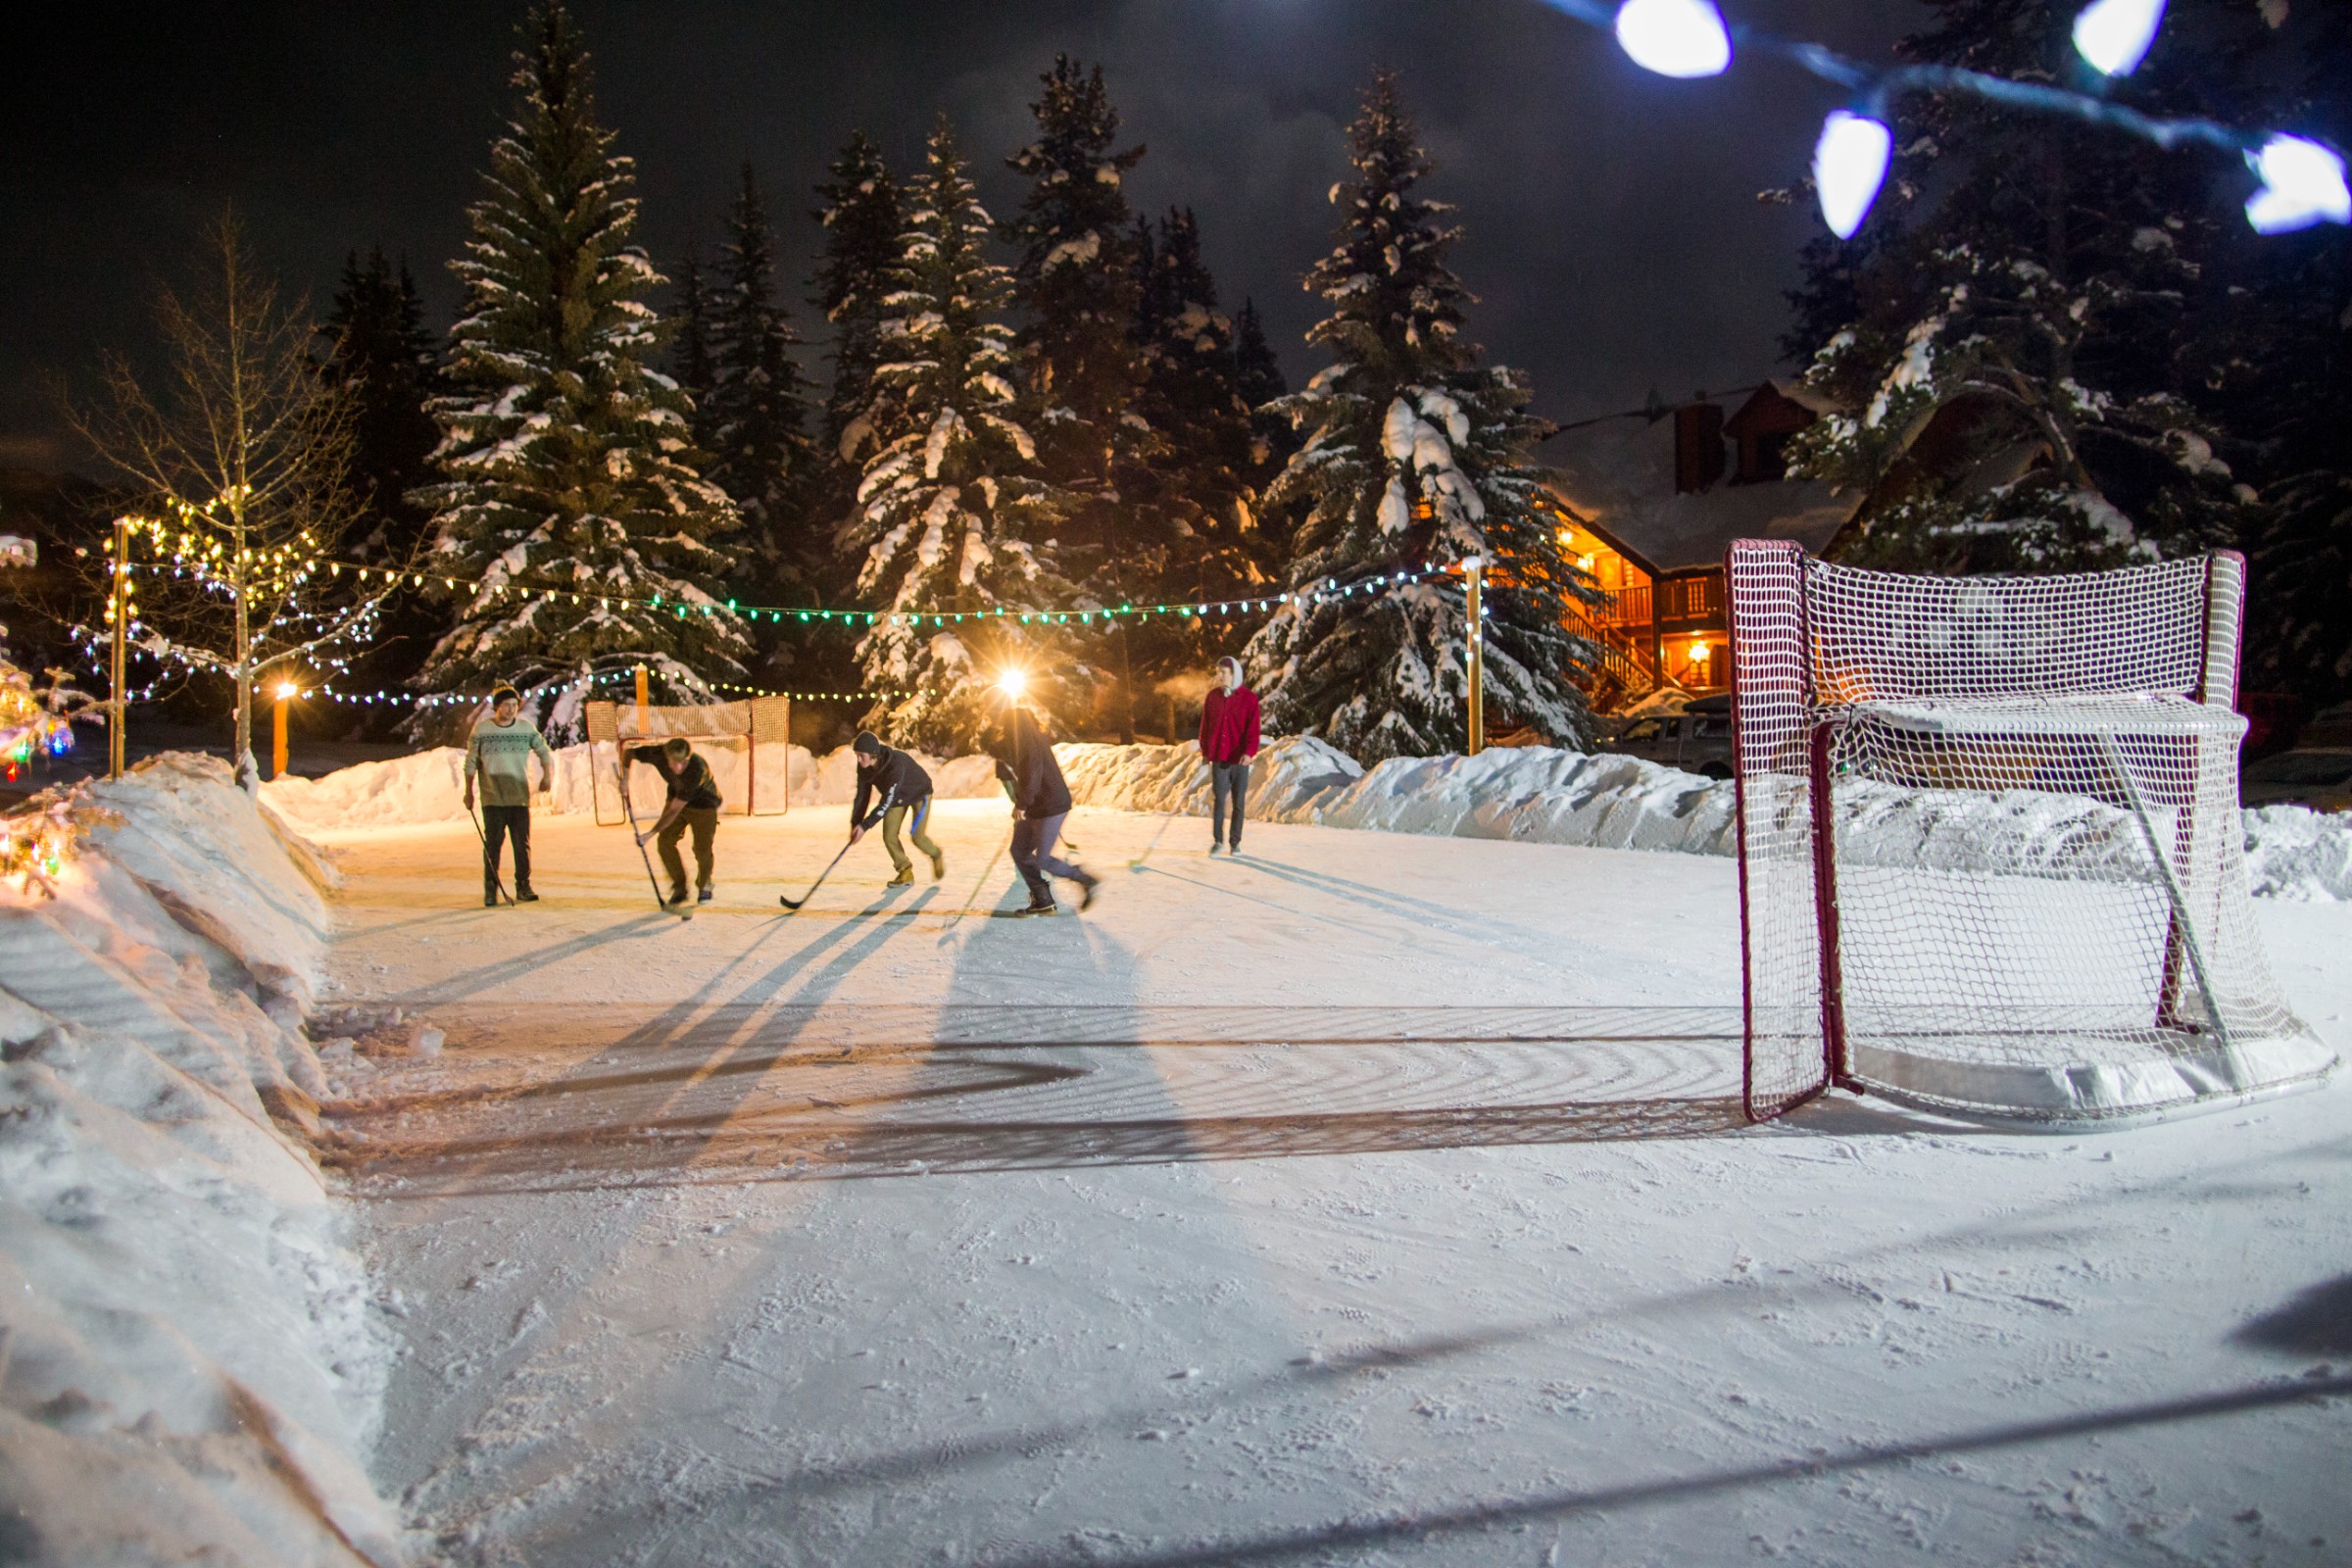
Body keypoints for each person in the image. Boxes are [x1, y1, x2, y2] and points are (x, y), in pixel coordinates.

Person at [992, 706, 1098, 915]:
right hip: (1037, 806)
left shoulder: (1029, 743)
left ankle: (1085, 879)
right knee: (1019, 850)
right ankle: (1043, 900)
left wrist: (1022, 804)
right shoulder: (1024, 741)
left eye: (1005, 726)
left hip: (1052, 805)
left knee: (1043, 859)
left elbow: (1033, 773)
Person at [462, 684, 556, 906]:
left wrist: (547, 775)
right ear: (496, 707)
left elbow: (543, 750)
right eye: (506, 705)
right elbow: (471, 761)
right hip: (493, 798)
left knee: (522, 845)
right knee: (493, 845)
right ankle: (490, 889)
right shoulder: (482, 731)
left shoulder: (525, 728)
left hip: (519, 798)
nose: (511, 709)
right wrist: (468, 791)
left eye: (514, 705)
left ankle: (523, 885)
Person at [624, 737, 723, 906]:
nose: (678, 767)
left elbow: (673, 811)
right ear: (666, 756)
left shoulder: (696, 769)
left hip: (704, 804)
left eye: (683, 763)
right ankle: (680, 888)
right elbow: (628, 752)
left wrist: (650, 833)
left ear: (688, 758)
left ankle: (705, 885)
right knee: (665, 842)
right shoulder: (658, 753)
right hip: (677, 796)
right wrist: (625, 778)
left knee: (702, 848)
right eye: (674, 762)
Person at [849, 730, 944, 887]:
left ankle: (936, 854)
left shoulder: (895, 764)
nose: (858, 760)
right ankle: (905, 872)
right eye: (856, 755)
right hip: (897, 797)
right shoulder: (864, 767)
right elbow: (862, 796)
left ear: (873, 754)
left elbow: (886, 802)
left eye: (861, 755)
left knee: (917, 837)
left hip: (920, 793)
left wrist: (865, 825)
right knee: (889, 836)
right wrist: (856, 824)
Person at [1198, 656, 1261, 855]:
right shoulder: (1213, 697)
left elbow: (1254, 730)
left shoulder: (1249, 699)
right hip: (1219, 758)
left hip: (1240, 760)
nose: (1220, 676)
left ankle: (1235, 842)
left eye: (1224, 673)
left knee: (1238, 802)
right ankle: (1218, 841)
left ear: (1234, 674)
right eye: (1219, 672)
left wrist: (1249, 752)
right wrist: (1205, 751)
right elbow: (1205, 727)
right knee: (1219, 801)